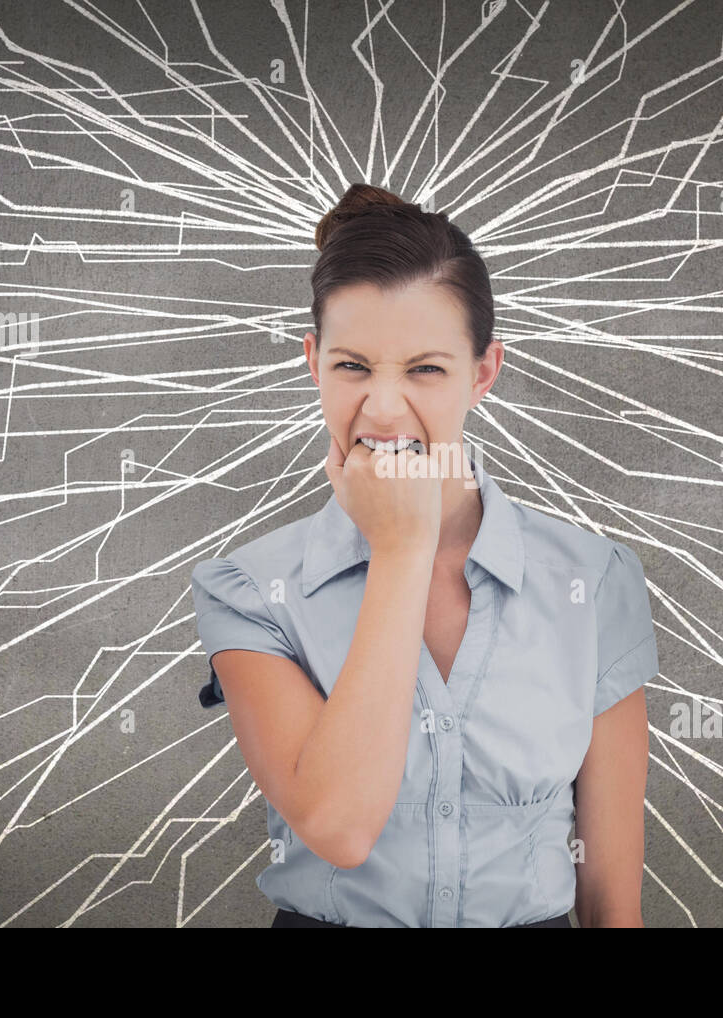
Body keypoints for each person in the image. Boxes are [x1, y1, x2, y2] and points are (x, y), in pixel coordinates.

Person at [190, 182, 660, 928]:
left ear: (483, 372)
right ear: (313, 363)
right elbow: (339, 825)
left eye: (425, 369)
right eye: (352, 366)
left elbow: (610, 903)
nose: (381, 407)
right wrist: (403, 549)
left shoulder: (593, 584)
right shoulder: (250, 592)